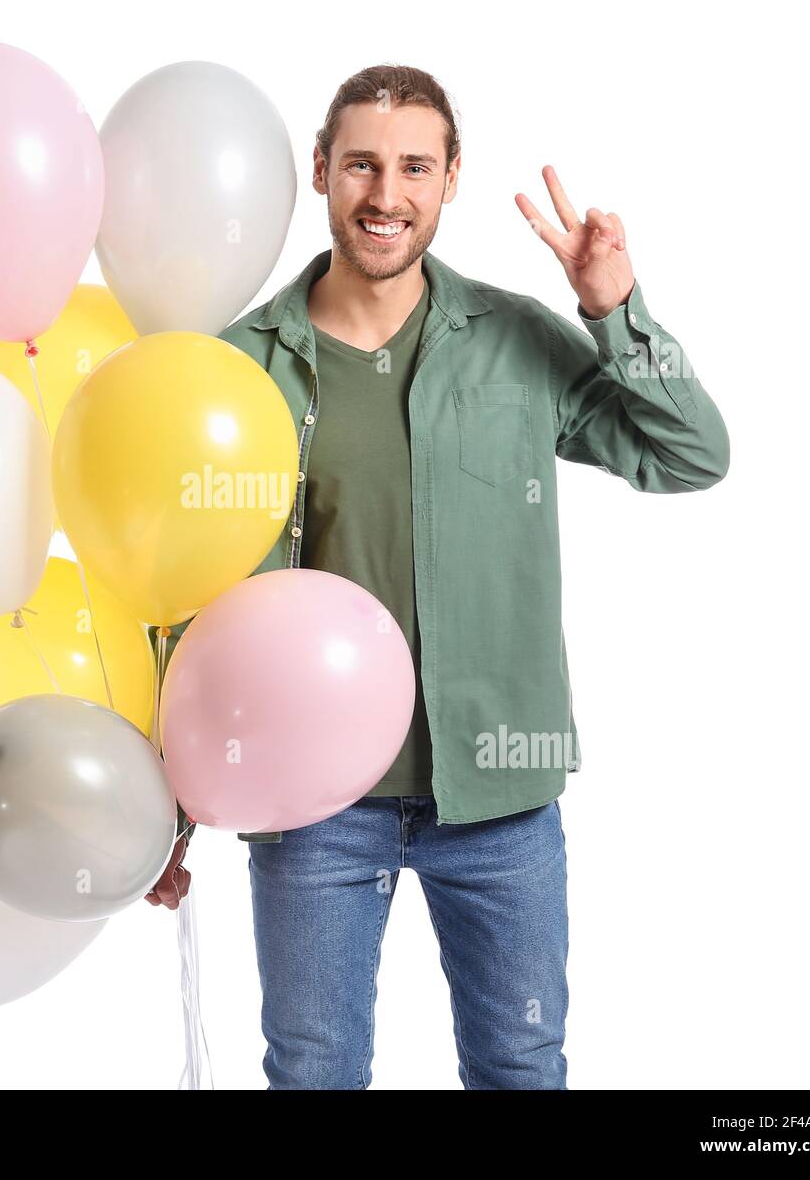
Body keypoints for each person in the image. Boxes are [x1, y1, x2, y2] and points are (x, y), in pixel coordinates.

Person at [144, 64, 729, 1090]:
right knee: (313, 1072)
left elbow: (688, 453)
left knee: (519, 1066)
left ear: (450, 179)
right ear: (321, 170)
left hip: (499, 802)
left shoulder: (515, 344)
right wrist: (170, 809)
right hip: (311, 807)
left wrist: (616, 309)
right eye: (362, 163)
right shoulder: (240, 367)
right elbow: (185, 603)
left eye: (415, 166)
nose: (386, 193)